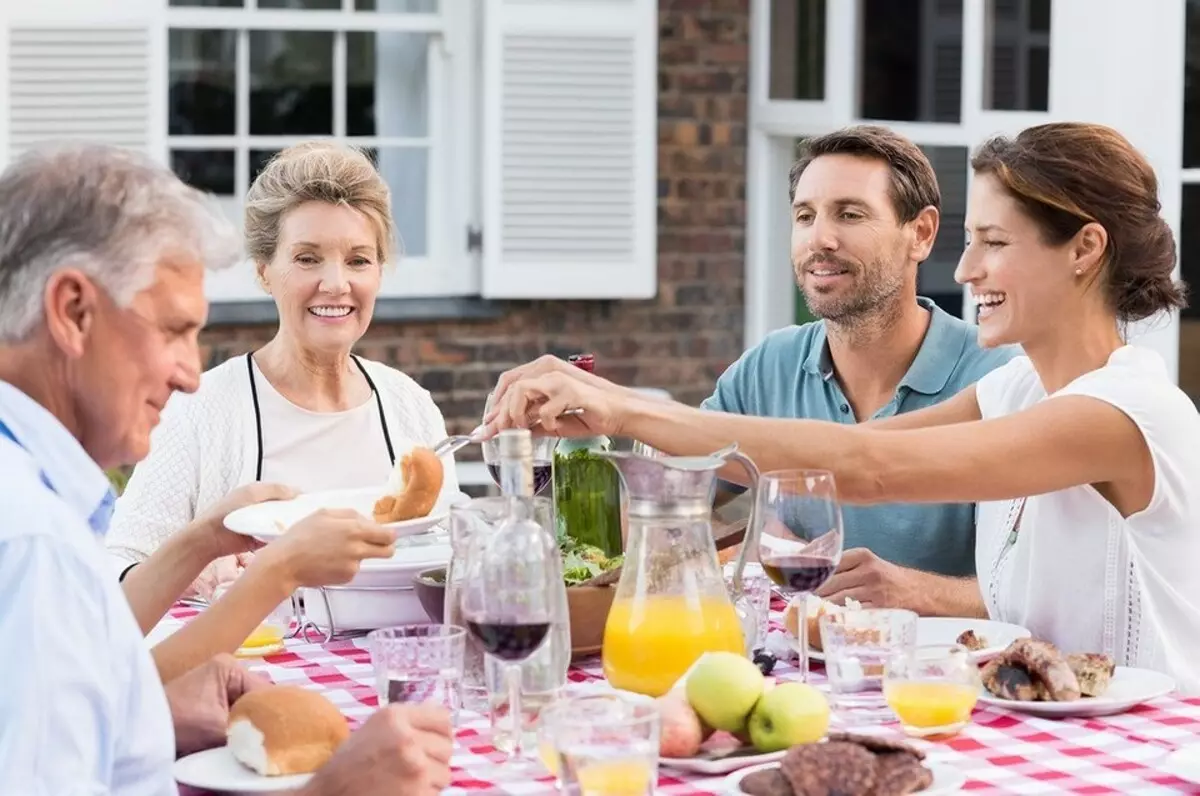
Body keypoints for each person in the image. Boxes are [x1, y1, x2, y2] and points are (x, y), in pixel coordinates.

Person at [485, 122, 1200, 693]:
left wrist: (621, 408)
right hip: (1040, 727)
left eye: (994, 242)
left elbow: (870, 464)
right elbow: (841, 449)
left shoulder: (1123, 413)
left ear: (1085, 249)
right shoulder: (1017, 391)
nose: (963, 268)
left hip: (1149, 749)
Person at [0, 144, 452, 793]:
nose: (188, 374)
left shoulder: (35, 509)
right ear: (73, 311)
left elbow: (95, 674)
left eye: (359, 259)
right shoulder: (33, 543)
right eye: (173, 330)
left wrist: (202, 543)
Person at [107, 140, 461, 597]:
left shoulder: (410, 406)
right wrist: (195, 571)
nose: (336, 284)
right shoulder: (203, 409)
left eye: (358, 260)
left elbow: (451, 558)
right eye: (307, 258)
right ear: (263, 270)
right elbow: (118, 565)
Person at [703, 126, 1016, 616]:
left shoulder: (1001, 379)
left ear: (922, 233)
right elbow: (673, 506)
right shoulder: (767, 368)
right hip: (799, 677)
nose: (819, 239)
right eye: (804, 216)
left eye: (850, 214)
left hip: (950, 683)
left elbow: (1046, 591)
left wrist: (919, 593)